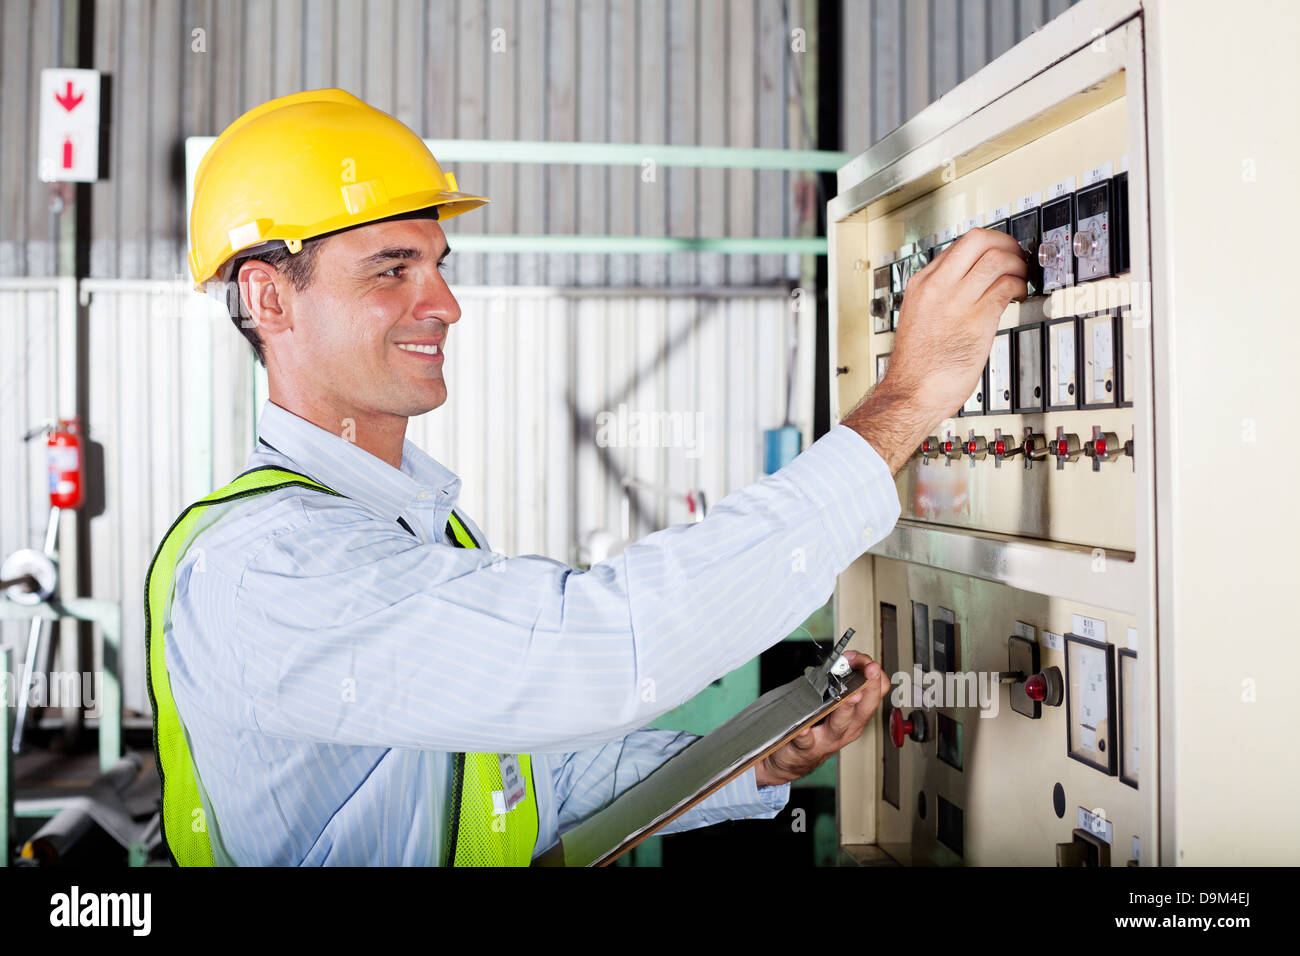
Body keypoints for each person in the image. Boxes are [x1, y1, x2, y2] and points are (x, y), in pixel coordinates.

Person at [148, 88, 1028, 866]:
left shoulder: (408, 530)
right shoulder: (270, 565)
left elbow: (529, 784)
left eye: (438, 265)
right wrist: (907, 400)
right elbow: (606, 648)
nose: (444, 302)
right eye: (391, 268)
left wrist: (748, 758)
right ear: (269, 299)